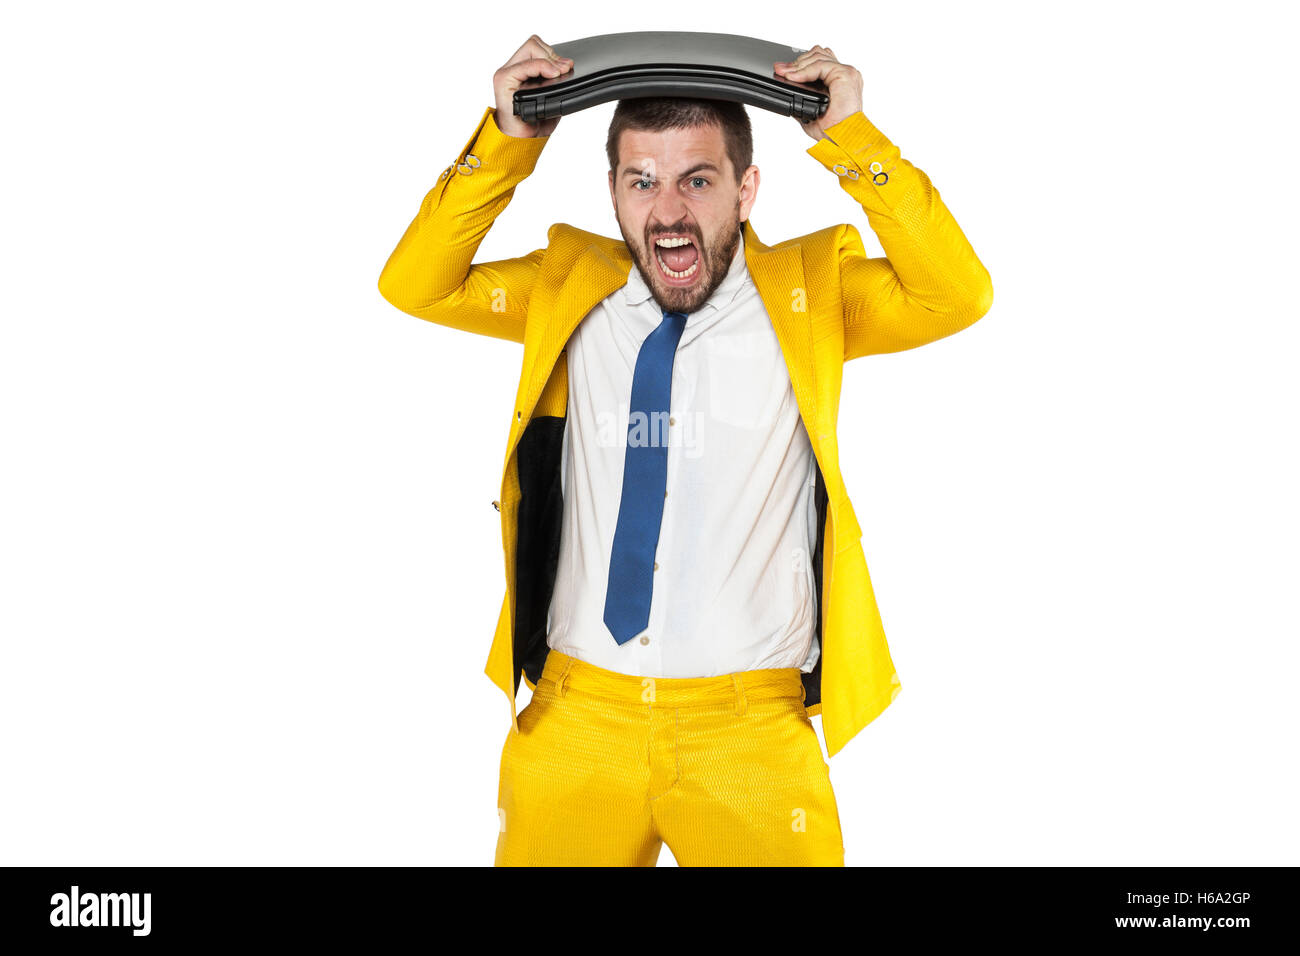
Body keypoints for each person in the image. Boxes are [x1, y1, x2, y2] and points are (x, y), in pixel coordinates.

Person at [378, 34, 993, 866]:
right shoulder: (568, 286)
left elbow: (956, 294)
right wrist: (507, 140)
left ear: (745, 189)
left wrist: (852, 139)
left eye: (698, 180)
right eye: (643, 180)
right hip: (575, 720)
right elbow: (415, 283)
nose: (668, 209)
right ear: (613, 192)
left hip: (749, 738)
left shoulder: (812, 295)